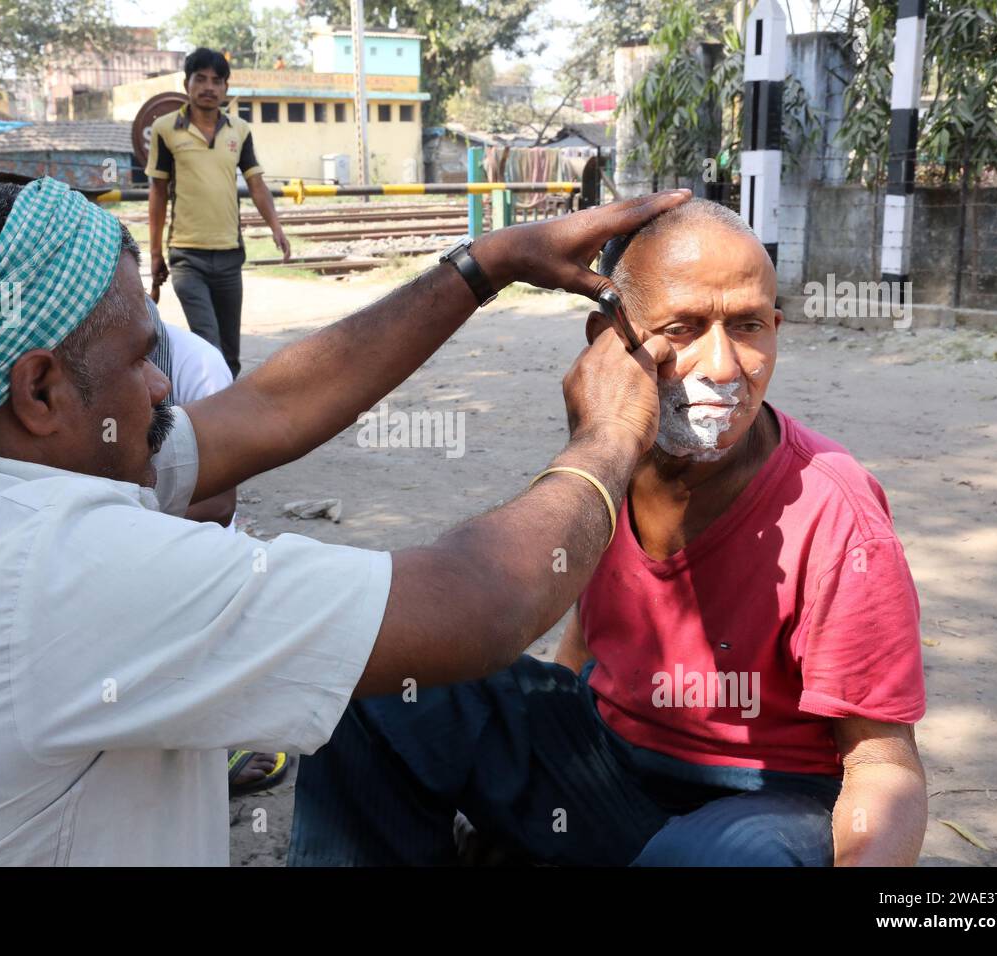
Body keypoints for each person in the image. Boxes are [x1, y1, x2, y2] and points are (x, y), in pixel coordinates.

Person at [0, 177, 689, 865]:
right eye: (139, 357)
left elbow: (265, 413)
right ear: (40, 389)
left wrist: (482, 265)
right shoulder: (51, 567)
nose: (166, 384)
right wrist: (611, 435)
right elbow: (481, 604)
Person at [288, 199, 928, 867]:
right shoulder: (609, 458)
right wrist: (534, 771)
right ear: (608, 339)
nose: (723, 365)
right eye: (683, 328)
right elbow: (592, 640)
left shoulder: (834, 507)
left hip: (765, 803)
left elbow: (885, 765)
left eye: (748, 326)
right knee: (379, 682)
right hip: (609, 768)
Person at [146, 300, 286, 791]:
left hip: (185, 534)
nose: (153, 387)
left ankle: (216, 743)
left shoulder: (196, 364)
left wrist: (114, 521)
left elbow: (217, 504)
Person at [146, 48, 290, 378]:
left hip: (229, 257)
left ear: (225, 88)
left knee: (230, 355)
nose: (209, 87)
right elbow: (157, 193)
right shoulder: (166, 129)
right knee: (208, 346)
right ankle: (213, 423)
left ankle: (225, 416)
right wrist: (155, 255)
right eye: (201, 79)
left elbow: (256, 184)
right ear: (187, 84)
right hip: (187, 257)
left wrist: (276, 228)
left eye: (217, 80)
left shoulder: (239, 130)